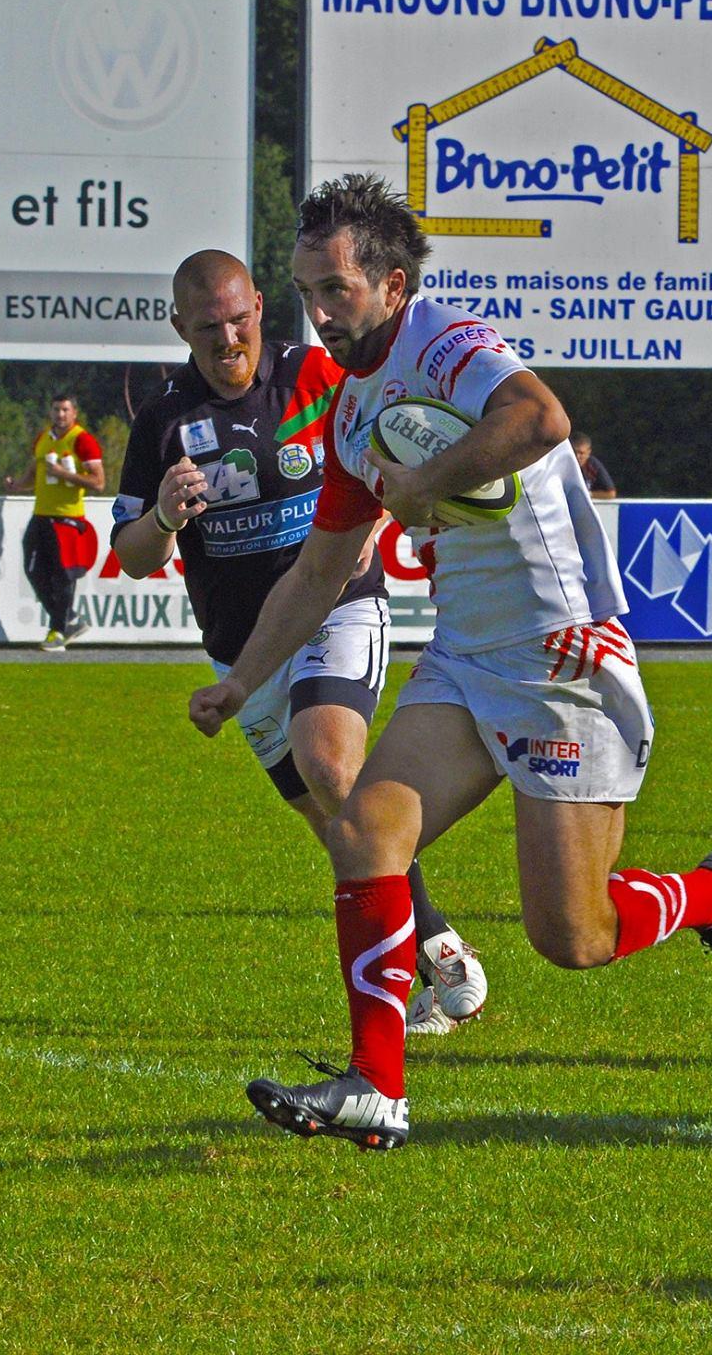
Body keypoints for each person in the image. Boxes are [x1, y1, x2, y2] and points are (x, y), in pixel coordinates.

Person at [188, 174, 712, 1150]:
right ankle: (377, 1089)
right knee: (366, 829)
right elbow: (317, 569)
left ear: (388, 282)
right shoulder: (346, 413)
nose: (319, 314)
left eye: (334, 291)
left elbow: (536, 418)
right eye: (305, 293)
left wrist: (425, 479)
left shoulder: (445, 342)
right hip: (466, 658)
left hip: (560, 655)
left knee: (571, 935)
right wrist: (242, 679)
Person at [113, 249, 489, 1036]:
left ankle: (406, 1013)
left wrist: (377, 520)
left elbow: (394, 451)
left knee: (330, 764)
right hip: (242, 650)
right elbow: (133, 552)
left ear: (259, 305)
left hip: (336, 607)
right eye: (208, 327)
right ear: (180, 326)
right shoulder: (161, 418)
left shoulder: (316, 376)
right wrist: (165, 517)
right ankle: (438, 944)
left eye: (240, 318)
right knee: (338, 829)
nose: (227, 339)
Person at [10, 393, 104, 651]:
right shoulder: (43, 438)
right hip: (41, 515)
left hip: (67, 518)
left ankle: (58, 631)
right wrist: (18, 485)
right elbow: (34, 472)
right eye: (55, 410)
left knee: (63, 578)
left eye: (64, 410)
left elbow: (98, 481)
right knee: (33, 571)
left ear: (74, 413)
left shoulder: (82, 440)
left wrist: (65, 474)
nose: (60, 415)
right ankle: (69, 620)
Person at [572, 432, 617, 500]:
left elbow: (611, 493)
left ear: (588, 452)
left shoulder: (593, 465)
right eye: (574, 452)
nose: (577, 456)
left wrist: (587, 494)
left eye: (581, 453)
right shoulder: (564, 463)